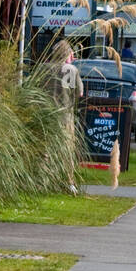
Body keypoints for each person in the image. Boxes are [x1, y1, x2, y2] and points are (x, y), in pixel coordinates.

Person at [50, 39, 83, 194]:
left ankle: (44, 181)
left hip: (46, 117)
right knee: (67, 150)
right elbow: (79, 93)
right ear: (67, 54)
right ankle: (68, 182)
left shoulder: (43, 69)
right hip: (64, 116)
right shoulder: (70, 69)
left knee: (46, 151)